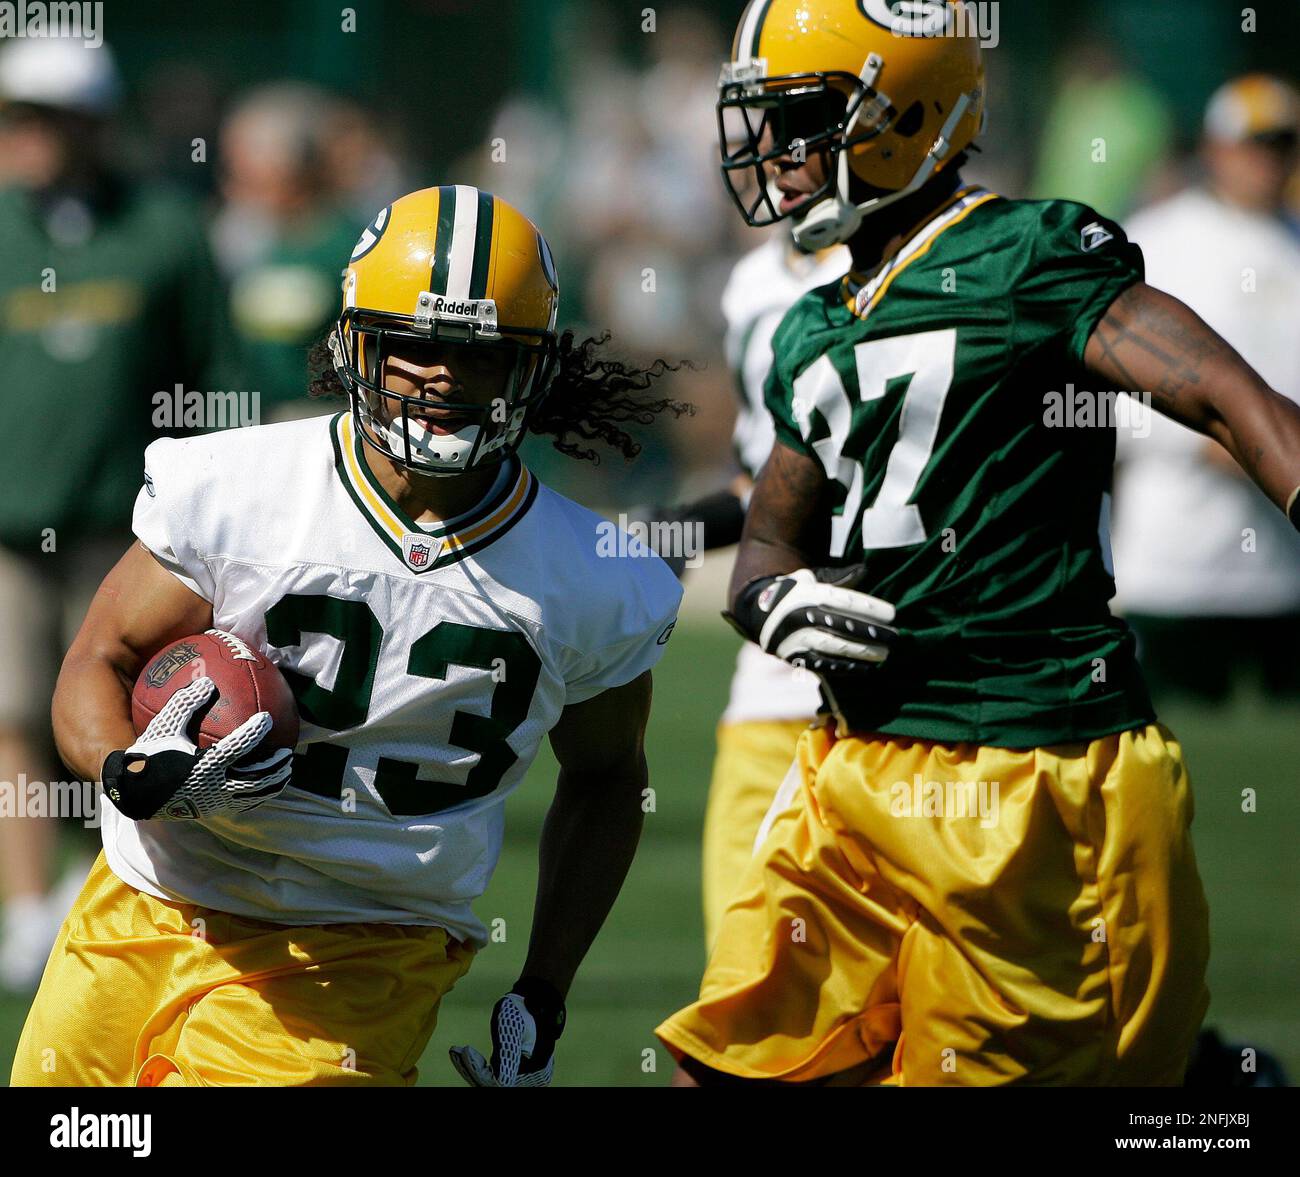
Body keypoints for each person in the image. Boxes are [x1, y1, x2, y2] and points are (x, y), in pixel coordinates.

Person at [656, 0, 1300, 1086]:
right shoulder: (817, 324)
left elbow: (1230, 398)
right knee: (728, 1067)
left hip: (1028, 772)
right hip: (849, 765)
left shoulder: (1026, 254)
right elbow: (767, 541)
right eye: (762, 123)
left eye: (803, 117)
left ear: (906, 115)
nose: (775, 153)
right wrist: (771, 603)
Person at [10, 186, 685, 1087]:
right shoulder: (238, 485)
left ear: (531, 368)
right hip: (147, 900)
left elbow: (606, 779)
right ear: (354, 343)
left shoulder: (594, 576)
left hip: (365, 943)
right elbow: (100, 657)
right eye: (413, 344)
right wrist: (126, 770)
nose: (442, 375)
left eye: (477, 353)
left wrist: (543, 988)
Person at [0, 39, 220, 991]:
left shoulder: (165, 229)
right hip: (6, 524)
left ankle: (116, 904)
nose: (29, 136)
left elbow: (211, 370)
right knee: (9, 716)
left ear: (93, 123)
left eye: (47, 117)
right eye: (19, 115)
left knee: (123, 710)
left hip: (126, 529)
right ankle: (23, 909)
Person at [668, 227, 848, 947]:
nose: (778, 155)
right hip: (771, 676)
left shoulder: (924, 272)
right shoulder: (751, 280)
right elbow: (769, 482)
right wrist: (681, 527)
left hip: (897, 687)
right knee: (740, 975)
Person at [1113, 75, 1300, 701]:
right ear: (1215, 148)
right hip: (1176, 567)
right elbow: (1101, 396)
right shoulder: (1158, 240)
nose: (1267, 161)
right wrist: (1218, 437)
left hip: (1284, 572)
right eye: (1254, 143)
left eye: (1282, 145)